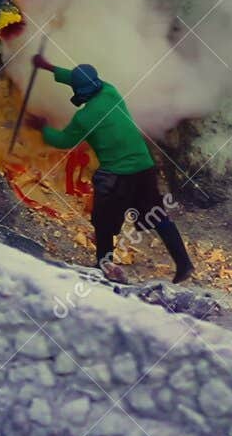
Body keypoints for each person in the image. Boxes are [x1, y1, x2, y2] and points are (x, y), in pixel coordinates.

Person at [24, 56, 195, 284]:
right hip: (144, 167)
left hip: (117, 175)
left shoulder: (85, 117)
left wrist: (42, 127)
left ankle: (104, 266)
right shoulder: (110, 92)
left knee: (103, 221)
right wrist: (49, 68)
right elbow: (80, 79)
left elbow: (63, 140)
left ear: (80, 93)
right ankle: (184, 264)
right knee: (157, 215)